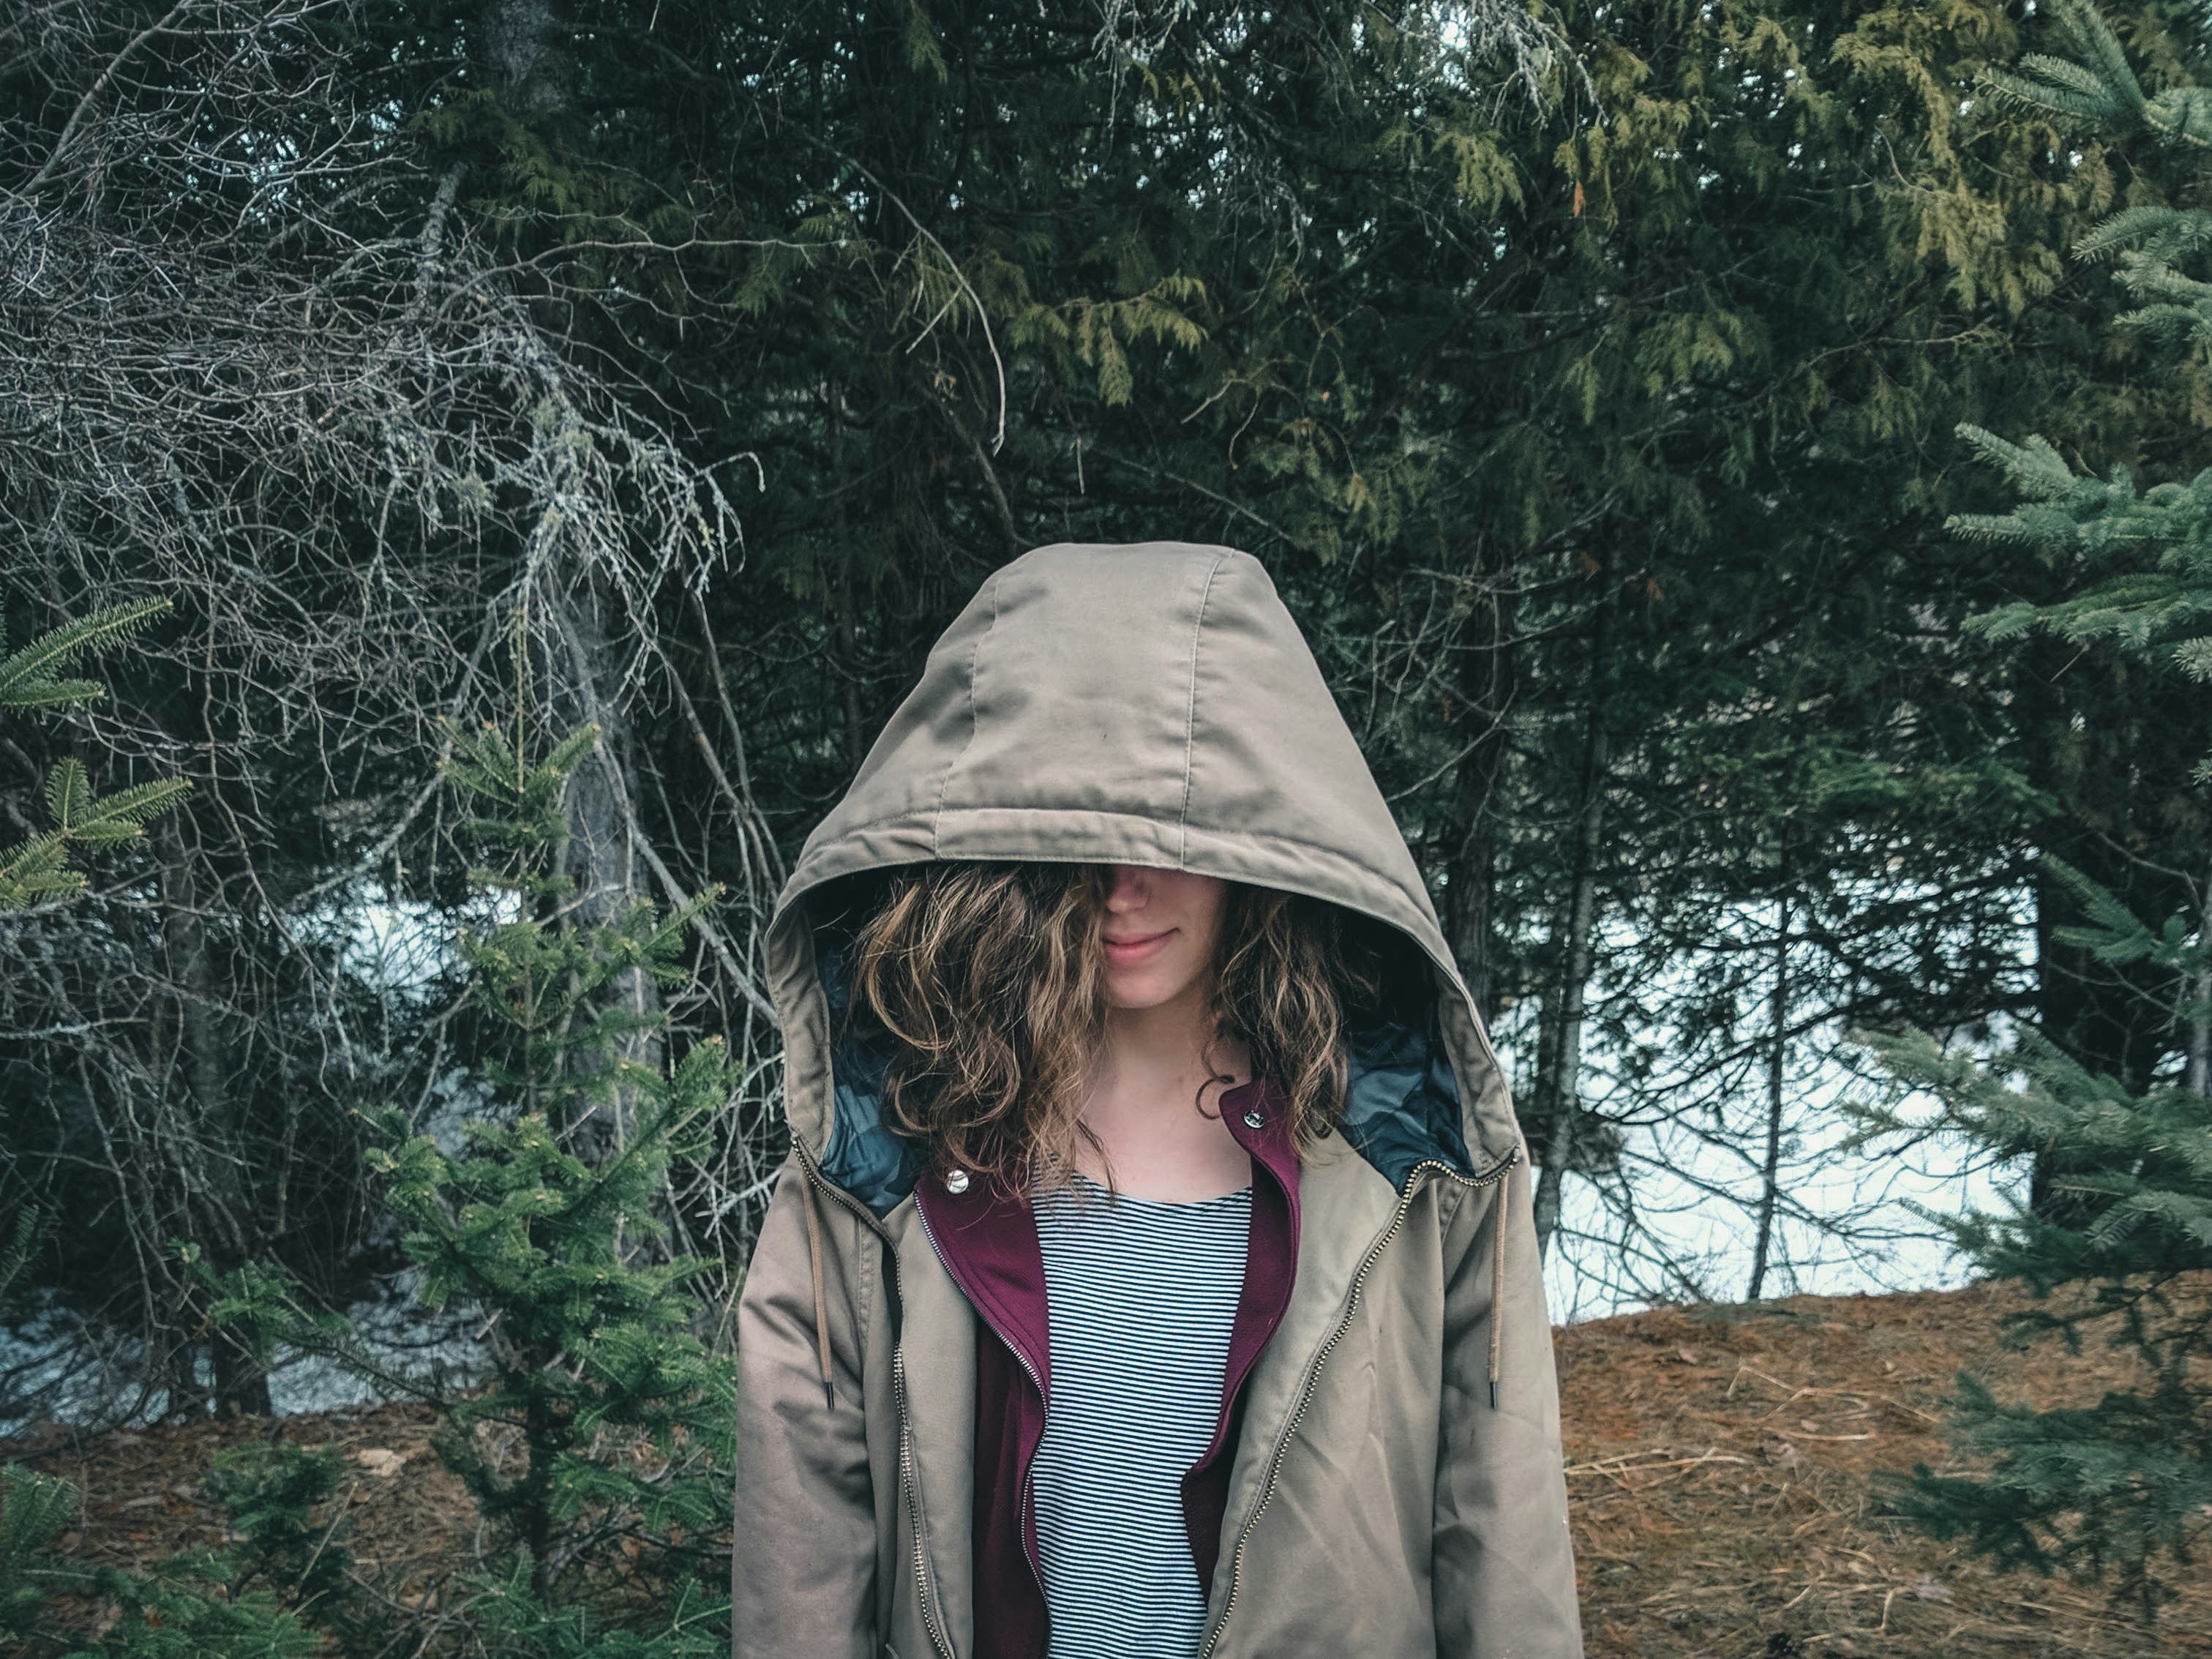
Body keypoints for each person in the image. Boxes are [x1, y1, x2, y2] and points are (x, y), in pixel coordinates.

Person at [732, 541, 1583, 1659]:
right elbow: (807, 1547)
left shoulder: (1408, 1163)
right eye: (1073, 839)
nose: (1119, 890)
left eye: (1171, 838)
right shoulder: (882, 1162)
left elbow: (1499, 1526)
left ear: (1264, 843)